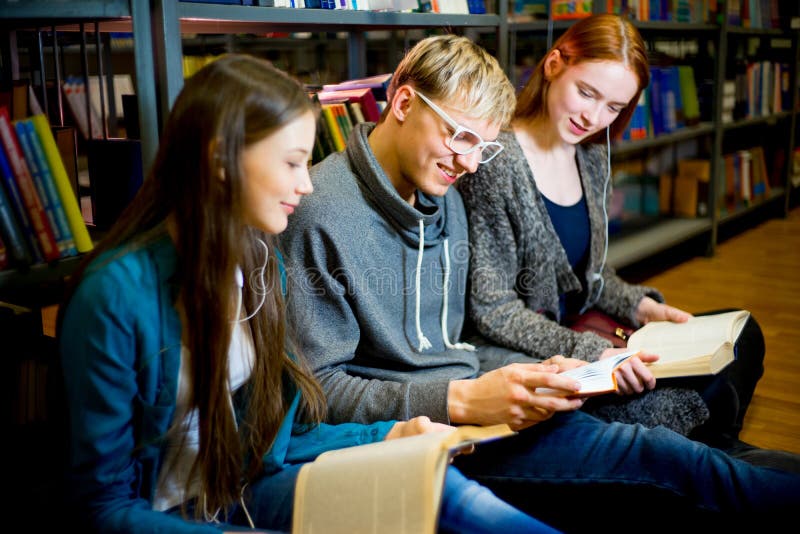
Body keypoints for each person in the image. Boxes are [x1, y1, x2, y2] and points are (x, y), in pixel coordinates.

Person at [279, 33, 800, 531]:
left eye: (484, 147)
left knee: (689, 449)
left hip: (485, 400)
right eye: (461, 136)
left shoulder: (443, 189)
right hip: (433, 433)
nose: (470, 163)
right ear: (404, 102)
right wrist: (462, 399)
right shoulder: (318, 213)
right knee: (665, 459)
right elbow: (316, 396)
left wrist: (539, 370)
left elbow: (454, 342)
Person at [56, 54, 559, 534]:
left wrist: (389, 434)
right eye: (293, 163)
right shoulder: (112, 297)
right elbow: (100, 509)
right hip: (173, 517)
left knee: (435, 490)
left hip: (247, 491)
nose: (307, 185)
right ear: (222, 159)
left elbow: (274, 441)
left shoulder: (258, 262)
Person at [456, 13, 775, 458]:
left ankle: (701, 455)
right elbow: (493, 311)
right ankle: (712, 456)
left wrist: (641, 307)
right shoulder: (496, 163)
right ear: (553, 64)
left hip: (589, 332)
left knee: (744, 335)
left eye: (614, 107)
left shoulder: (591, 156)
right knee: (679, 401)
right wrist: (592, 352)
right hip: (532, 351)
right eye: (587, 92)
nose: (593, 117)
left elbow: (592, 272)